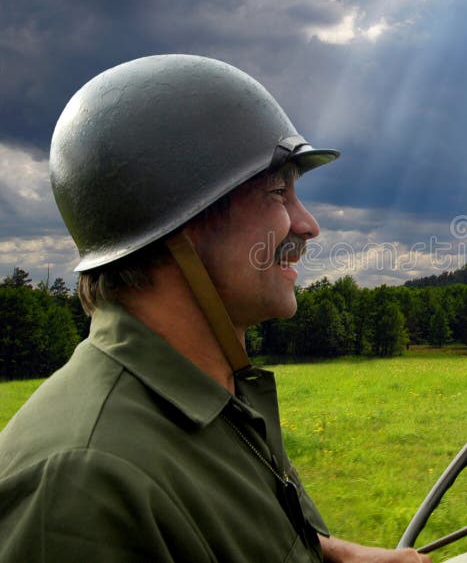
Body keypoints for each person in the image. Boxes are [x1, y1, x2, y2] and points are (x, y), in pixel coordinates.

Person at [0, 54, 430, 563]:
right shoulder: (80, 485)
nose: (308, 225)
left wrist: (335, 556)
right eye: (278, 192)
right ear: (182, 217)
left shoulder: (211, 400)